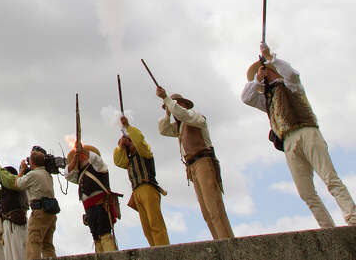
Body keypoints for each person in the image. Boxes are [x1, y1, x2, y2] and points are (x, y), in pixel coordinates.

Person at [241, 42, 356, 227]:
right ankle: (327, 227)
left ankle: (353, 217)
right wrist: (256, 81)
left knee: (329, 178)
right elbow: (246, 98)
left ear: (273, 71)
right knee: (306, 192)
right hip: (288, 142)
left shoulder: (292, 86)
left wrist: (270, 58)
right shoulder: (265, 99)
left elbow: (292, 74)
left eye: (265, 71)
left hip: (307, 131)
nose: (263, 75)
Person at [157, 86, 234, 239]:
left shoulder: (196, 117)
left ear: (182, 105)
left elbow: (184, 115)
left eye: (175, 106)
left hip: (204, 162)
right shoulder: (179, 126)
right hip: (192, 167)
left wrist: (167, 99)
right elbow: (163, 129)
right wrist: (167, 113)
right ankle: (219, 241)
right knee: (207, 213)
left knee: (214, 209)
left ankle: (227, 242)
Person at [113, 117, 169, 246]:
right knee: (146, 227)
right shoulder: (128, 160)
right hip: (137, 192)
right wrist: (121, 146)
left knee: (155, 223)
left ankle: (162, 248)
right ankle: (155, 248)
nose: (129, 144)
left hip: (148, 188)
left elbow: (139, 140)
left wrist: (127, 127)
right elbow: (118, 161)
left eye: (130, 142)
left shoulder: (144, 152)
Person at [0, 146, 58, 259]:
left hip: (39, 212)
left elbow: (16, 184)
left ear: (32, 162)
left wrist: (22, 170)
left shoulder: (32, 175)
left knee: (33, 242)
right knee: (47, 244)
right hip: (51, 212)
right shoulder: (47, 174)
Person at [66, 145, 119, 253]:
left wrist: (84, 151)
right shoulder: (79, 174)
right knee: (96, 237)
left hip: (101, 205)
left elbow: (96, 160)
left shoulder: (99, 167)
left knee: (105, 234)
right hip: (89, 209)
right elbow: (68, 175)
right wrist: (74, 161)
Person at [0, 166, 28, 260]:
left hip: (16, 222)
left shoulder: (18, 183)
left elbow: (10, 181)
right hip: (6, 223)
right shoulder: (4, 189)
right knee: (9, 254)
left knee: (20, 252)